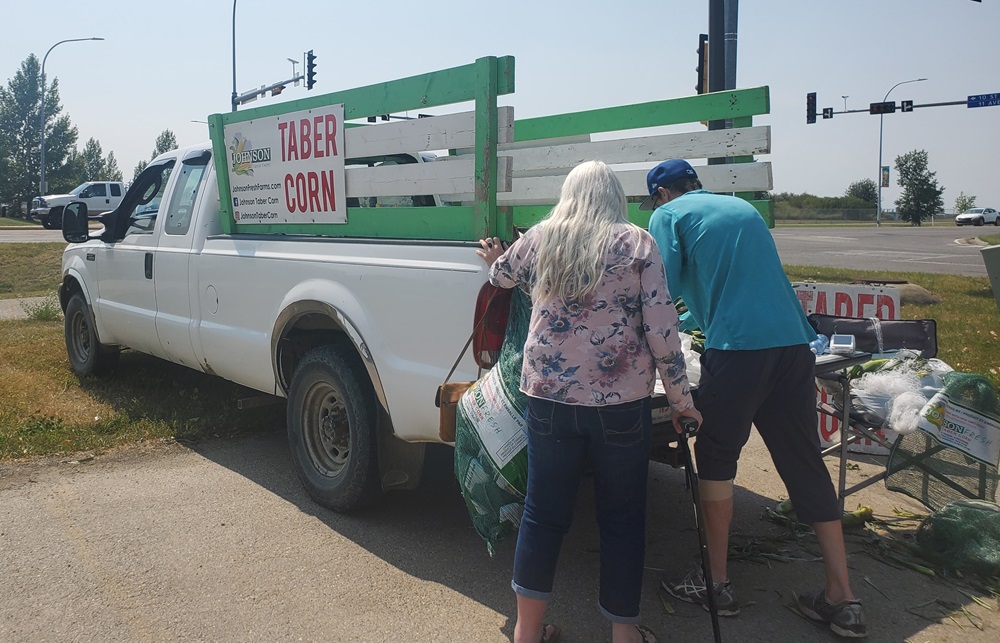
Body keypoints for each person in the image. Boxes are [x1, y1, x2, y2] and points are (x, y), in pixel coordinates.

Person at [478, 160, 702, 643]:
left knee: (543, 512)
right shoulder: (637, 242)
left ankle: (527, 633)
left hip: (549, 399)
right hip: (621, 404)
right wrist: (682, 401)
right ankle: (624, 635)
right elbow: (663, 330)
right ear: (616, 197)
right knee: (622, 516)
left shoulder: (541, 237)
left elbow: (499, 276)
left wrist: (495, 257)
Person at [643, 159, 868, 639]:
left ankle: (716, 584)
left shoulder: (668, 216)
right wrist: (693, 321)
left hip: (740, 349)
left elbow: (662, 289)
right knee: (804, 459)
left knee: (718, 456)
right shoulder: (739, 207)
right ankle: (842, 597)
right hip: (792, 345)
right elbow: (739, 282)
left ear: (661, 193)